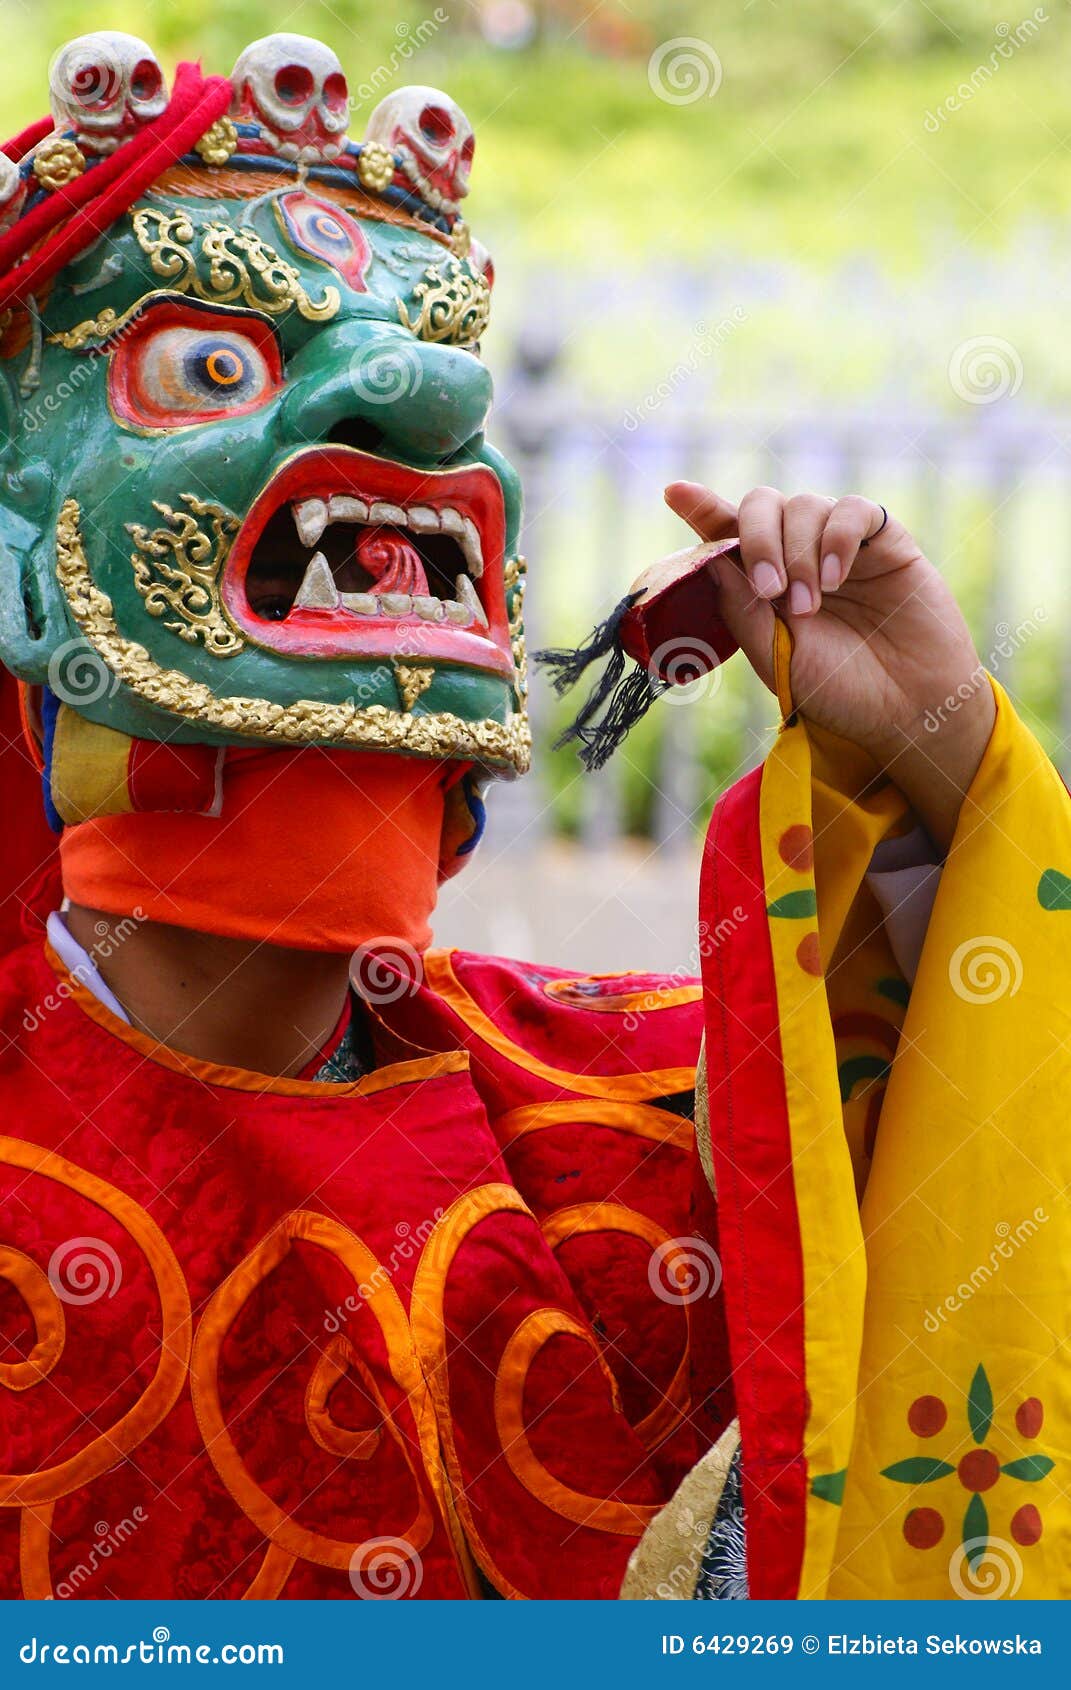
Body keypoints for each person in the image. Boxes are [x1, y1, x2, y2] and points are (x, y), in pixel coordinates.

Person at [0, 31, 1067, 1604]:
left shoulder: (612, 1127)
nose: (418, 401)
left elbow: (959, 1171)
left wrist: (936, 747)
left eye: (439, 349)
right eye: (218, 365)